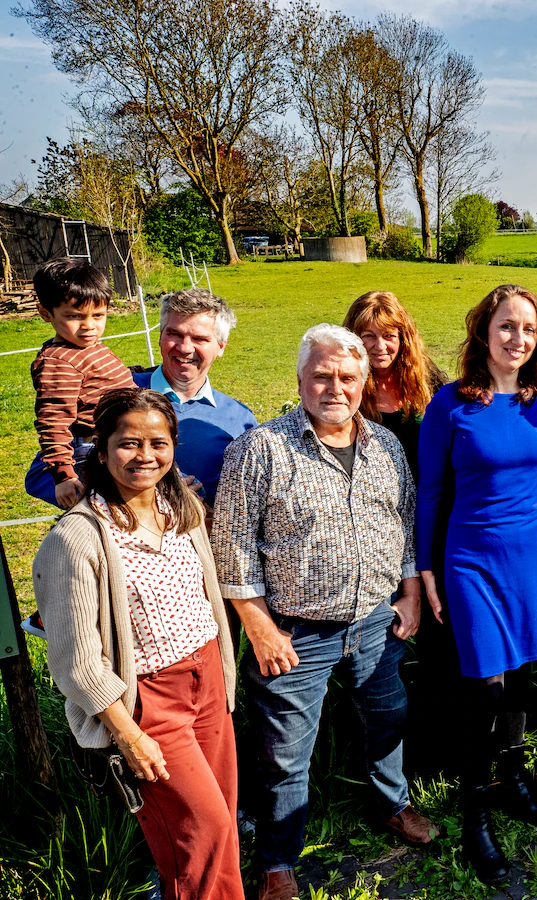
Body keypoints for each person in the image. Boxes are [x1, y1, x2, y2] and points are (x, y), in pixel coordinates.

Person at [211, 324, 436, 900]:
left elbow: (404, 526)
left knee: (388, 718)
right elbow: (232, 549)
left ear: (364, 382)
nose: (335, 387)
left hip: (375, 622)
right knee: (285, 753)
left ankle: (392, 804)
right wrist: (258, 627)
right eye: (322, 376)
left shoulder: (386, 446)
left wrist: (409, 594)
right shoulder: (261, 449)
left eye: (347, 377)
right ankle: (278, 860)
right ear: (301, 379)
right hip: (294, 633)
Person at [33, 387, 242, 900]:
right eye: (128, 444)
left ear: (174, 446)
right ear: (100, 451)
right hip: (148, 700)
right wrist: (128, 735)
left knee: (223, 822)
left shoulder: (183, 510)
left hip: (208, 681)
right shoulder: (76, 538)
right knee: (199, 831)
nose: (145, 456)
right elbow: (76, 661)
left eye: (158, 442)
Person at [416, 285, 537, 882]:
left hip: (532, 558)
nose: (517, 339)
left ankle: (513, 775)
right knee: (485, 687)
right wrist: (427, 571)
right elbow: (430, 492)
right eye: (506, 326)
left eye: (528, 329)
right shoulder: (451, 403)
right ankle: (475, 810)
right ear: (484, 331)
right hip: (470, 562)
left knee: (520, 681)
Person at [131, 288, 258, 505]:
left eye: (199, 338)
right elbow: (56, 472)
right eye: (175, 334)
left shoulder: (240, 420)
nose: (185, 348)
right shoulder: (120, 392)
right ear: (160, 335)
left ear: (220, 347)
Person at [26, 258, 135, 509]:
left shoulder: (86, 346)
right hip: (92, 451)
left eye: (98, 315)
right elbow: (53, 421)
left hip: (118, 438)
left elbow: (98, 381)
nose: (89, 326)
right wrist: (64, 475)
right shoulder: (58, 362)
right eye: (74, 316)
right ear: (45, 314)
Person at [342, 290, 447, 478]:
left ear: (403, 338)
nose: (380, 346)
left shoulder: (426, 377)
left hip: (427, 492)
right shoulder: (344, 386)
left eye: (388, 335)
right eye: (368, 336)